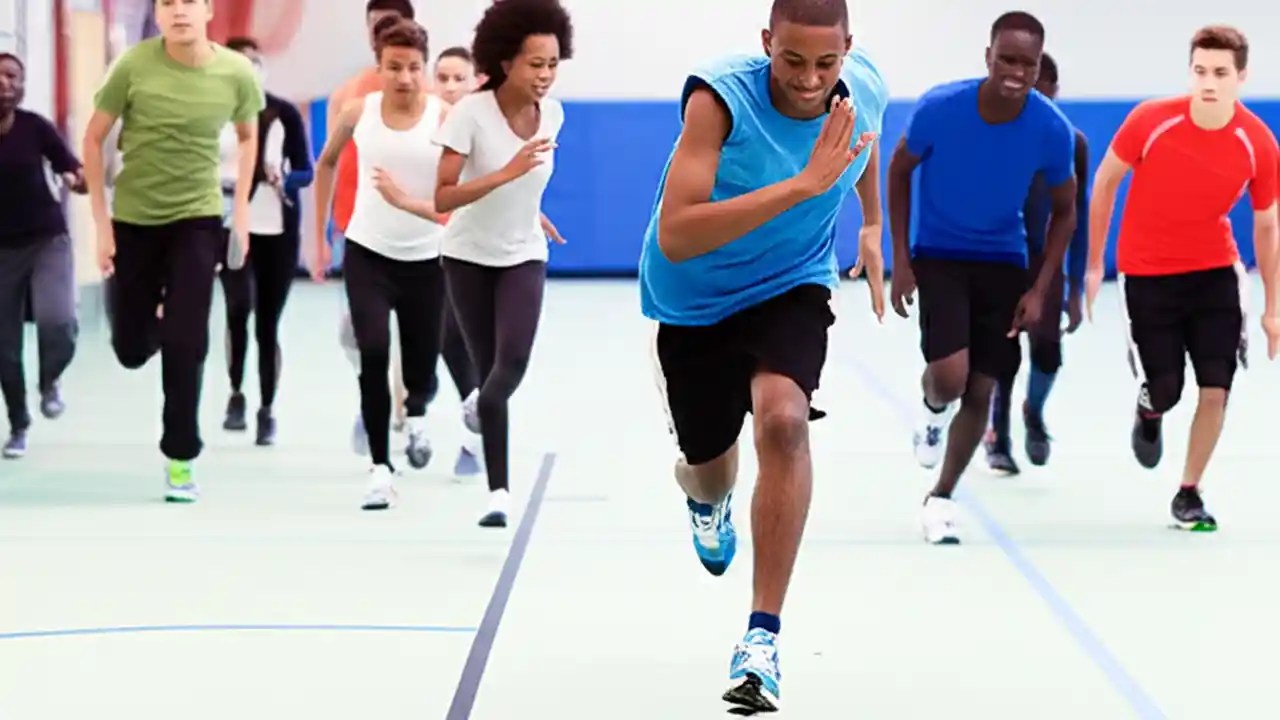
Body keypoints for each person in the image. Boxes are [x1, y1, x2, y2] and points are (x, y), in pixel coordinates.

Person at [638, 0, 886, 710]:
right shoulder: (720, 99)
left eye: (826, 63)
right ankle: (704, 500)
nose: (810, 80)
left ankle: (761, 638)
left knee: (783, 421)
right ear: (765, 43)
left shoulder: (862, 84)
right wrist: (804, 187)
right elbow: (679, 233)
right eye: (792, 60)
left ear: (848, 51)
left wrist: (870, 222)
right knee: (710, 471)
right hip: (694, 297)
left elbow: (863, 143)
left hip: (791, 284)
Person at [887, 11, 1076, 545]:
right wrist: (900, 259)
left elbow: (1066, 211)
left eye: (1028, 63)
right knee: (948, 379)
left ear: (1039, 67)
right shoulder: (940, 109)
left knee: (983, 385)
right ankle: (930, 410)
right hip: (941, 256)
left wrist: (1040, 289)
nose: (1017, 71)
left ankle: (941, 497)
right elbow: (900, 171)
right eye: (1007, 59)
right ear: (988, 57)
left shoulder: (1049, 130)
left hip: (1004, 262)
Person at [1086, 25, 1279, 532]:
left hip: (1216, 273)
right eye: (1199, 72)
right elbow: (1105, 183)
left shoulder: (1256, 141)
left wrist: (1272, 307)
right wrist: (1091, 265)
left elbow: (1266, 226)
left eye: (1220, 73)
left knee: (1216, 386)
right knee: (1167, 389)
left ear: (1241, 77)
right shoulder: (1152, 120)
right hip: (1148, 274)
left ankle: (1188, 493)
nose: (1208, 83)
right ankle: (1149, 411)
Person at [82, 0, 262, 502]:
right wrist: (101, 225)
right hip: (135, 221)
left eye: (189, 2)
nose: (179, 11)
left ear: (208, 11)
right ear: (157, 15)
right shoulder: (133, 66)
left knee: (188, 343)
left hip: (197, 220)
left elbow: (250, 137)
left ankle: (181, 456)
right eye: (167, 3)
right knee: (131, 349)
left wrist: (241, 213)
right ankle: (161, 323)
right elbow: (93, 140)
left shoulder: (236, 72)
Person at [433, 0, 572, 529]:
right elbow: (444, 197)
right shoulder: (470, 112)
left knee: (506, 371)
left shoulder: (554, 114)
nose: (545, 75)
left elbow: (525, 182)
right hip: (467, 258)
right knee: (490, 371)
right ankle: (498, 492)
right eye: (535, 63)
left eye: (553, 64)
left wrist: (535, 213)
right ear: (506, 61)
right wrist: (508, 174)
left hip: (523, 254)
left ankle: (478, 411)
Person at [313, 19, 446, 509]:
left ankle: (417, 415)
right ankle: (379, 468)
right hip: (368, 251)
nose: (405, 78)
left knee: (422, 367)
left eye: (413, 68)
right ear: (380, 67)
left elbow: (477, 175)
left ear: (424, 67)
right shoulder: (358, 112)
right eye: (395, 68)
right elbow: (325, 163)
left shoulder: (445, 116)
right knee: (371, 351)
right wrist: (321, 239)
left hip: (427, 257)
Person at [983, 51, 1089, 474]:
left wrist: (1076, 287)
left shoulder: (1072, 143)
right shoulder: (994, 139)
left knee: (1047, 354)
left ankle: (1034, 411)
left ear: (1054, 92)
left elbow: (1076, 215)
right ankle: (997, 435)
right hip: (1002, 259)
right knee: (1001, 352)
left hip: (1048, 266)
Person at [321, 0, 416, 457]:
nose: (383, 32)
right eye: (376, 26)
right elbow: (330, 160)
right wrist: (323, 231)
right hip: (357, 224)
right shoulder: (350, 96)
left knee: (414, 332)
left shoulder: (428, 93)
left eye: (392, 26)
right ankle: (373, 397)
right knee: (362, 330)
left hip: (415, 226)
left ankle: (406, 405)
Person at [217, 36, 314, 446]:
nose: (248, 69)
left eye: (254, 62)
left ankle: (267, 409)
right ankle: (236, 393)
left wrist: (282, 179)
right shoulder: (211, 112)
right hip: (228, 225)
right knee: (238, 308)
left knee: (267, 322)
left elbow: (305, 171)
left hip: (275, 228)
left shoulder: (283, 113)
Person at [0, 52, 86, 459]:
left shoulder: (35, 128)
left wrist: (76, 178)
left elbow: (71, 167)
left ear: (21, 85)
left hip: (46, 239)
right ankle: (18, 424)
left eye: (11, 75)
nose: (3, 82)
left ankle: (50, 379)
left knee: (57, 319)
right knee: (3, 347)